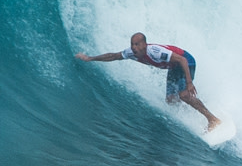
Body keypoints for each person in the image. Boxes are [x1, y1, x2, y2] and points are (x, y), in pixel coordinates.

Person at [76, 31, 222, 132]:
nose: (134, 47)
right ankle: (193, 110)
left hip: (186, 61)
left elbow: (182, 59)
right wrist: (90, 58)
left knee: (184, 95)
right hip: (173, 67)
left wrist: (189, 83)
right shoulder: (131, 53)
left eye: (137, 44)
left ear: (144, 45)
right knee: (171, 100)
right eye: (132, 44)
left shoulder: (155, 51)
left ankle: (213, 119)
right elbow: (113, 56)